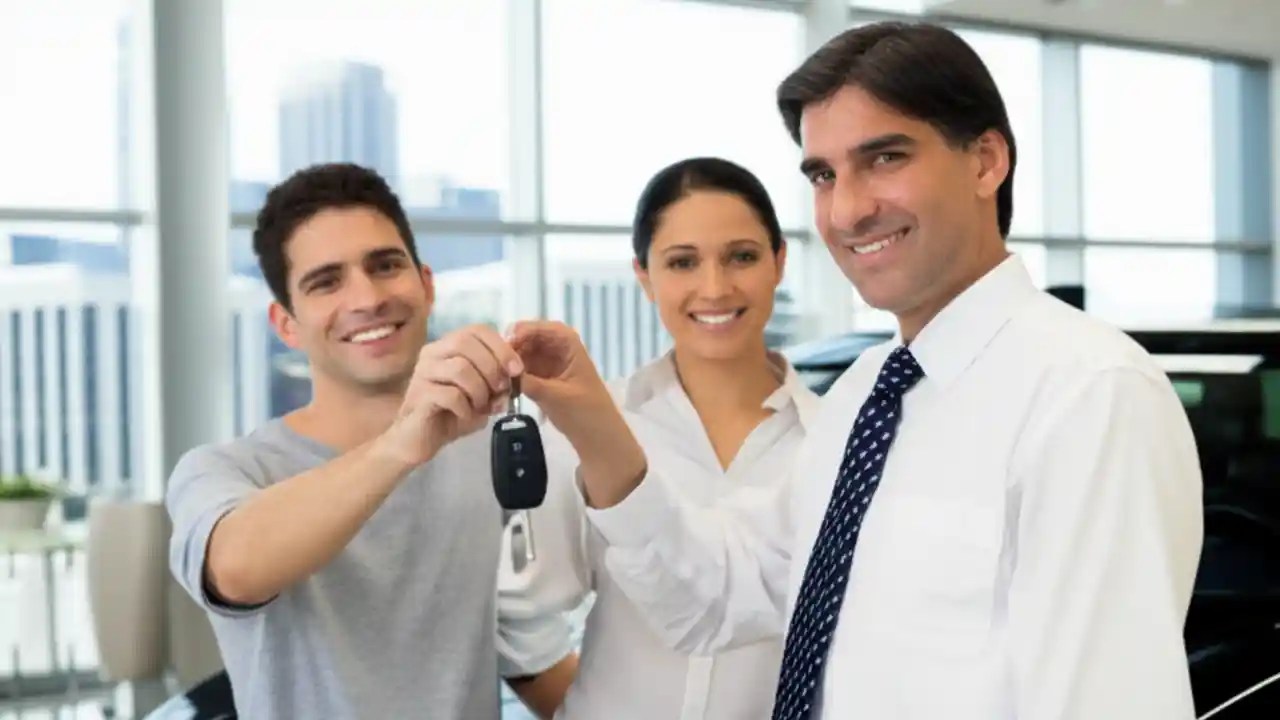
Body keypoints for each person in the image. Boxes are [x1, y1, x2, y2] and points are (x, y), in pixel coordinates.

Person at [508, 20, 1206, 720]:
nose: (847, 210)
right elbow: (714, 595)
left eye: (885, 158)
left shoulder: (1090, 395)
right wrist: (589, 417)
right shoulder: (864, 395)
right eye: (824, 175)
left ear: (986, 162)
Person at [164, 163, 577, 720]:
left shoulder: (488, 450)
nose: (367, 298)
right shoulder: (223, 470)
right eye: (326, 282)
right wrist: (403, 444)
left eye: (385, 266)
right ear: (286, 324)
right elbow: (235, 569)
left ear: (426, 285)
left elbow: (532, 655)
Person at [502, 157, 818, 718]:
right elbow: (519, 609)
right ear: (644, 275)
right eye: (682, 262)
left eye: (742, 256)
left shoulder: (831, 441)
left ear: (779, 262)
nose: (714, 287)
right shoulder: (591, 423)